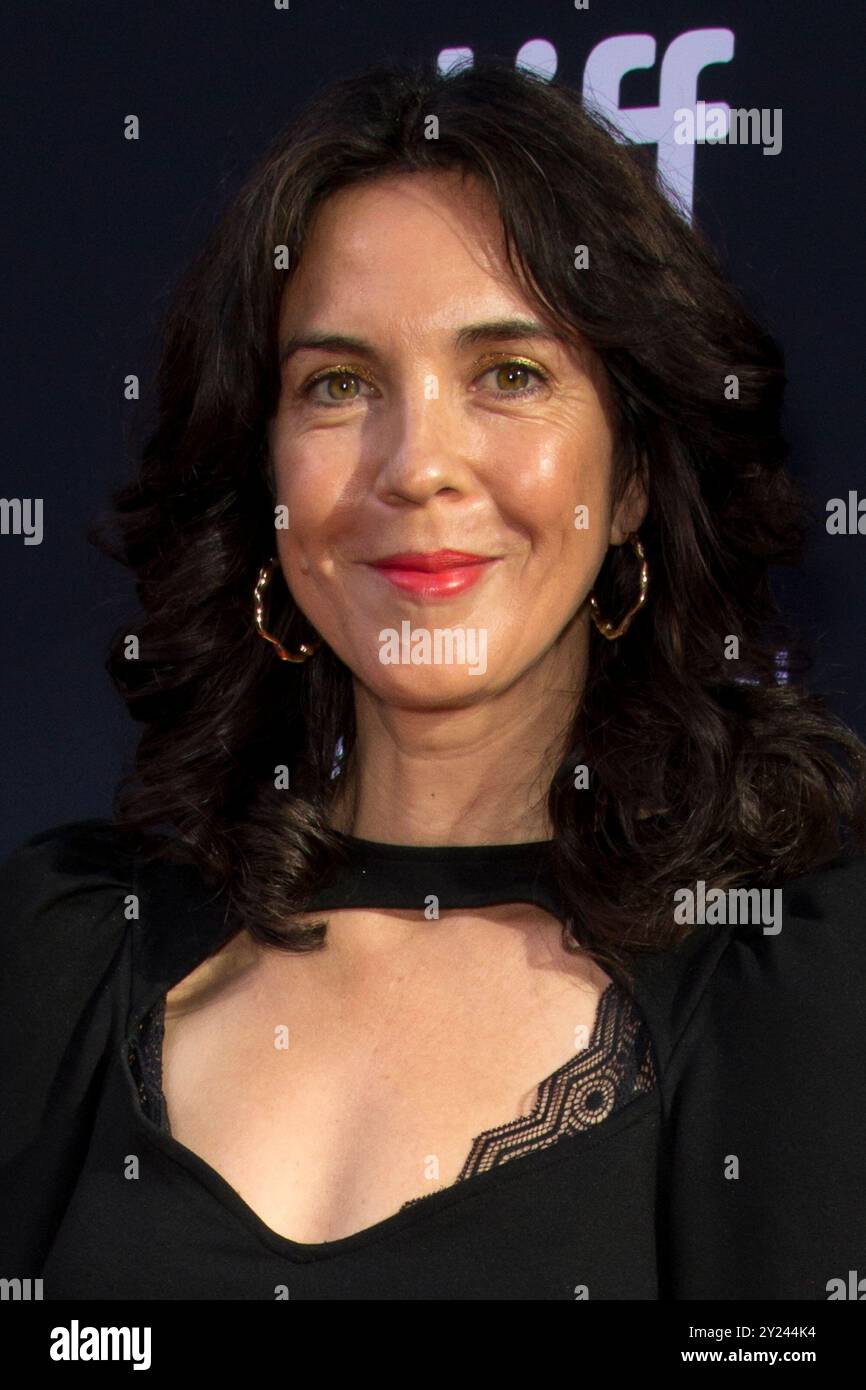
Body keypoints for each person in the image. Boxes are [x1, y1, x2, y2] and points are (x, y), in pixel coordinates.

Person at [2, 58, 865, 1301]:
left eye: (507, 374)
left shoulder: (781, 977)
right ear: (264, 478)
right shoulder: (69, 942)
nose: (417, 465)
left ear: (629, 481)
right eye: (338, 385)